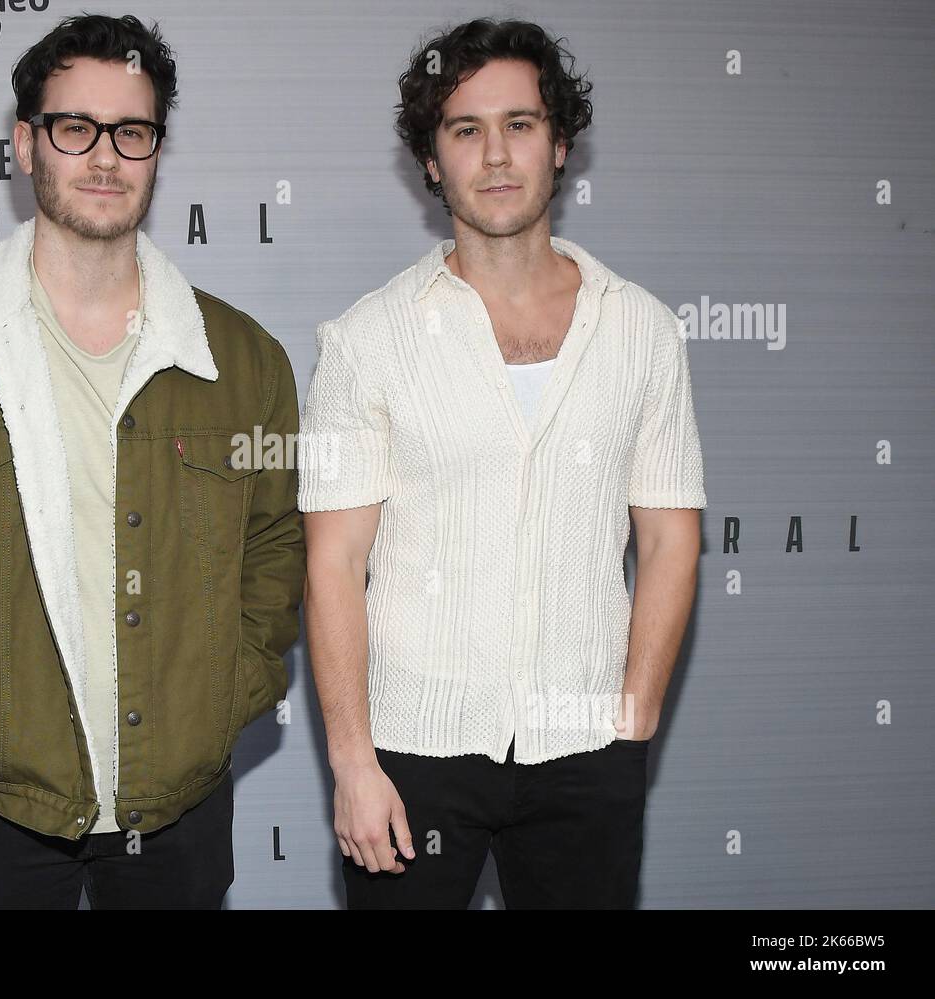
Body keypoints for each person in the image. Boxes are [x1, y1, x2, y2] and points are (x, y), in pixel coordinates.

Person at [0, 12, 304, 909]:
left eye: (132, 131)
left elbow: (278, 543)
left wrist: (234, 680)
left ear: (156, 150)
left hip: (179, 805)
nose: (105, 156)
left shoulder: (243, 359)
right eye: (75, 128)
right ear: (27, 145)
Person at [299, 18, 707, 909]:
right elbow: (333, 564)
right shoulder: (366, 340)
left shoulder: (643, 329)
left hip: (586, 755)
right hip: (411, 753)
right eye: (465, 128)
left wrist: (630, 727)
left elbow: (672, 540)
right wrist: (353, 761)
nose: (495, 154)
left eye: (520, 125)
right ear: (432, 159)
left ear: (561, 146)